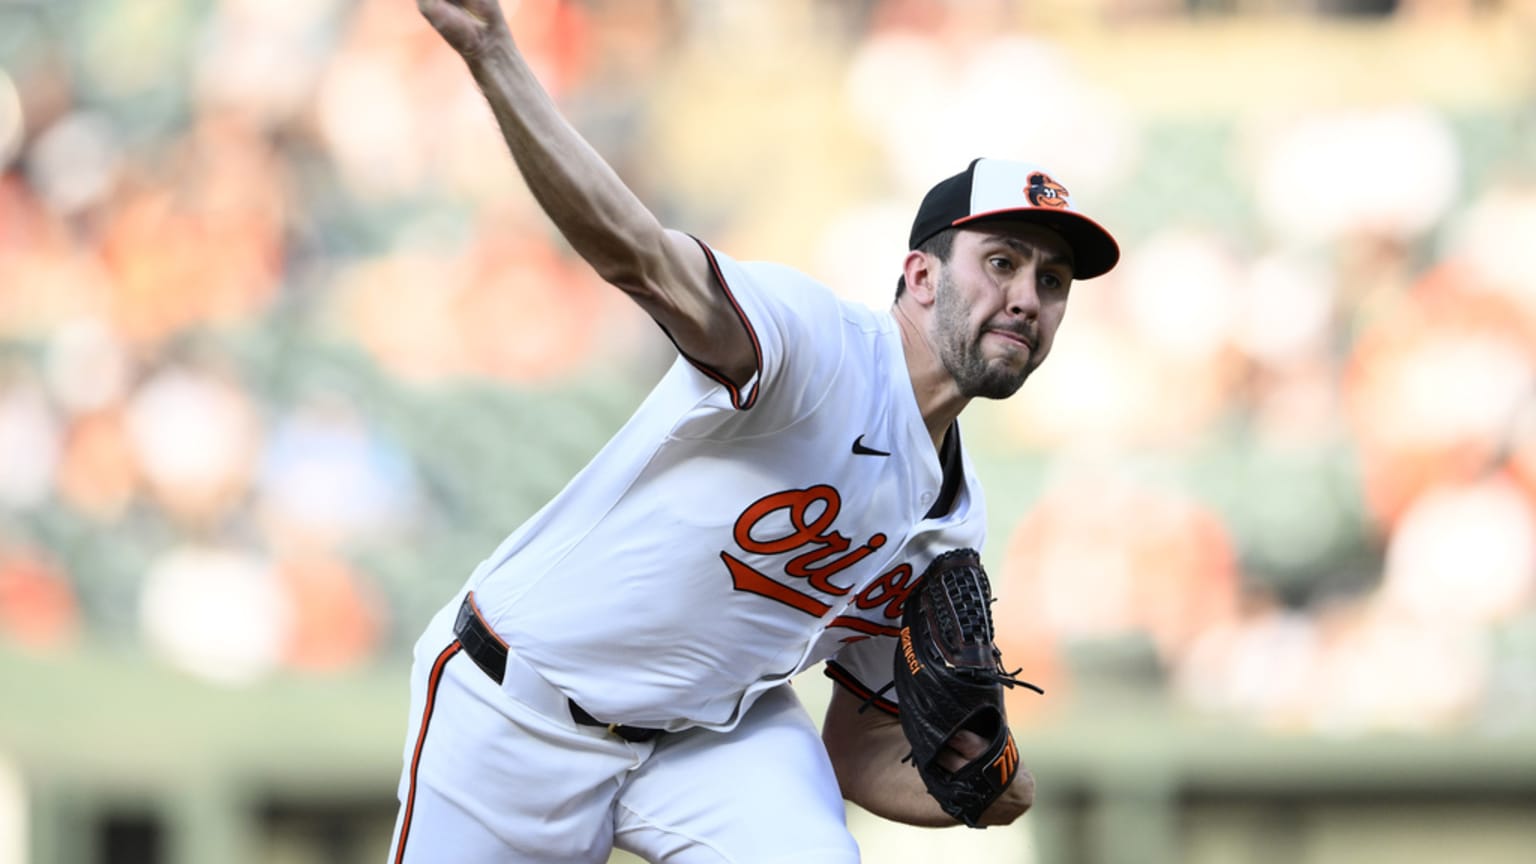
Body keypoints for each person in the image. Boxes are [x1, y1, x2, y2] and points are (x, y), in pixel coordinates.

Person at [390, 1, 1121, 861]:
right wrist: (494, 56)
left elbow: (860, 749)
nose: (1028, 297)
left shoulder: (951, 522)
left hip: (713, 740)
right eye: (1001, 262)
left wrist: (984, 787)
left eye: (1054, 280)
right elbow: (639, 256)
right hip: (519, 703)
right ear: (921, 277)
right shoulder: (813, 347)